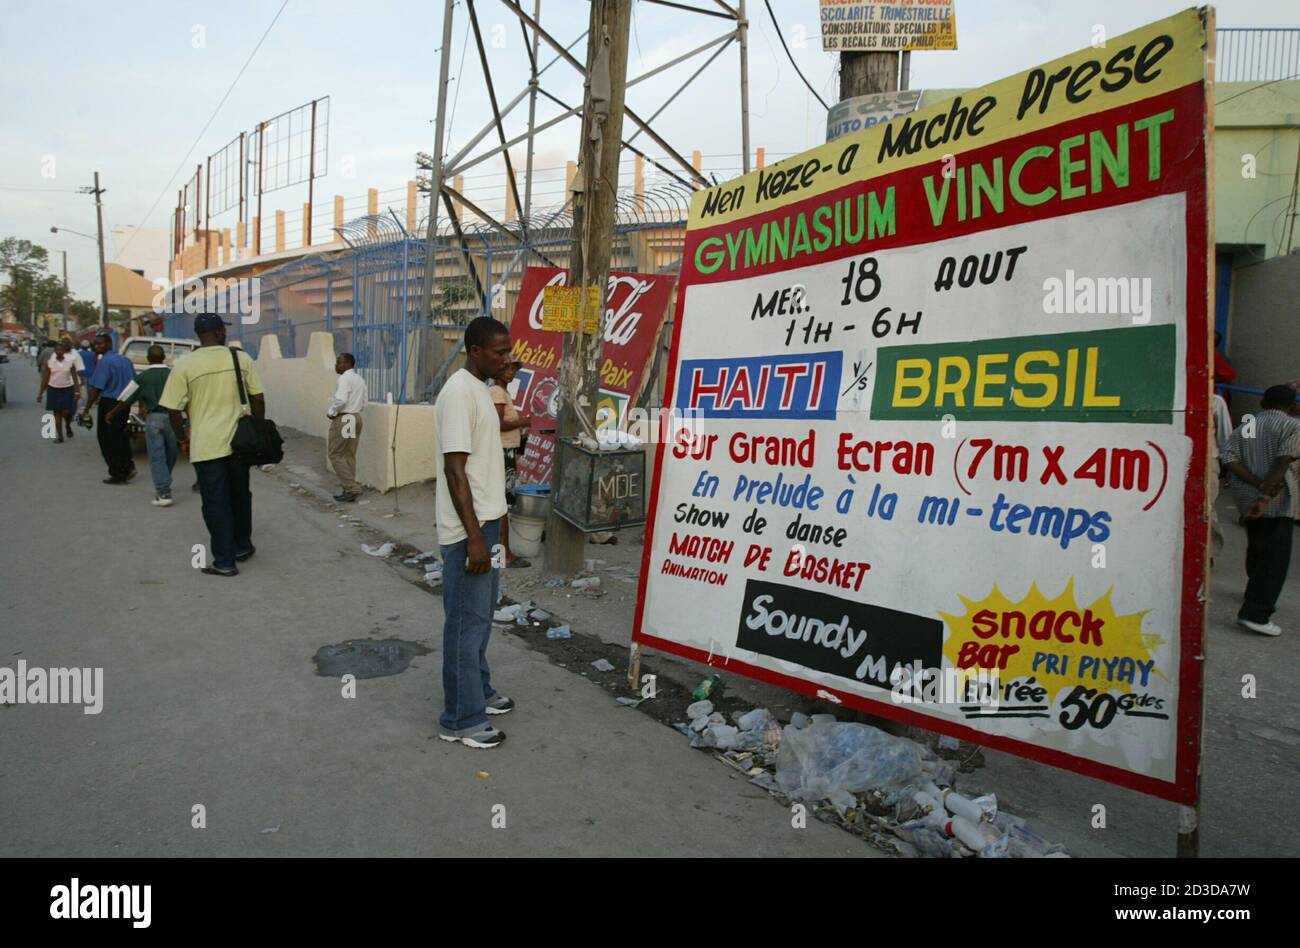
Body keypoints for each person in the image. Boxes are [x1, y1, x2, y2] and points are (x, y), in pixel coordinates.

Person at [433, 316, 514, 748]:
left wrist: (497, 530)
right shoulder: (458, 393)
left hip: (485, 524)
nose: (507, 358)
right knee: (465, 622)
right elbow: (455, 470)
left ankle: (478, 691)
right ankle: (460, 719)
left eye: (508, 350)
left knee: (480, 617)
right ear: (475, 351)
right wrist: (477, 539)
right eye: (500, 352)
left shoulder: (481, 391)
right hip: (468, 530)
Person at [158, 314, 265, 577]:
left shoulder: (183, 365)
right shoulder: (240, 358)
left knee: (215, 503)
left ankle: (225, 561)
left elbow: (173, 409)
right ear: (219, 332)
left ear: (198, 334)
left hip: (206, 446)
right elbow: (258, 398)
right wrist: (257, 430)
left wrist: (183, 437)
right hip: (239, 444)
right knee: (241, 496)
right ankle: (242, 546)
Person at [1221, 385, 1300, 636]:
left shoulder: (1247, 425)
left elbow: (1229, 457)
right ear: (1292, 407)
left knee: (1257, 546)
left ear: (1262, 403)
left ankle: (1252, 592)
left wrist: (1255, 483)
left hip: (1246, 496)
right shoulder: (1293, 427)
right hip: (1276, 500)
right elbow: (1284, 459)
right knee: (1274, 558)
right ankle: (1256, 613)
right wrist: (1266, 492)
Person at [107, 344, 177, 507]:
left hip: (153, 418)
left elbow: (126, 398)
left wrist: (111, 413)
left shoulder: (142, 377)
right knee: (171, 453)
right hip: (172, 418)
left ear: (148, 358)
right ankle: (165, 481)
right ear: (163, 357)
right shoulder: (173, 375)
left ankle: (163, 492)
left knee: (157, 455)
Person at [489, 359, 532, 567]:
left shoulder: (503, 393)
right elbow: (498, 423)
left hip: (507, 450)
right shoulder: (497, 392)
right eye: (507, 368)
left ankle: (501, 553)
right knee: (502, 504)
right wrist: (522, 422)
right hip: (501, 452)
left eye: (514, 369)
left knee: (502, 503)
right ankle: (503, 554)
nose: (511, 372)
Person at [80, 334, 137, 484]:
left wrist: (87, 408)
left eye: (100, 344)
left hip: (109, 403)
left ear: (108, 344)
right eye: (96, 344)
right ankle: (128, 466)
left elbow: (96, 387)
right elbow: (134, 384)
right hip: (124, 404)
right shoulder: (125, 360)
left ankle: (118, 473)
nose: (97, 347)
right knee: (121, 436)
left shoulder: (105, 361)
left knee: (107, 439)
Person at [326, 352, 367, 502]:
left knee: (335, 454)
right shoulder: (359, 379)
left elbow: (341, 400)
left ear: (347, 363)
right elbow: (364, 401)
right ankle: (348, 490)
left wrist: (331, 412)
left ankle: (351, 487)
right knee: (349, 455)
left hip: (344, 418)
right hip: (355, 417)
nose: (336, 365)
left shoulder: (344, 379)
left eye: (339, 362)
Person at [38, 340, 81, 442]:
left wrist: (77, 391)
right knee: (57, 413)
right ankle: (60, 436)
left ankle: (67, 425)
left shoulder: (70, 362)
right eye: (57, 350)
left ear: (64, 351)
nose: (59, 351)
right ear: (54, 351)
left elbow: (74, 377)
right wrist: (40, 393)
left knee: (67, 412)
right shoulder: (50, 363)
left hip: (67, 388)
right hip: (53, 389)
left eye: (61, 350)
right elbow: (45, 378)